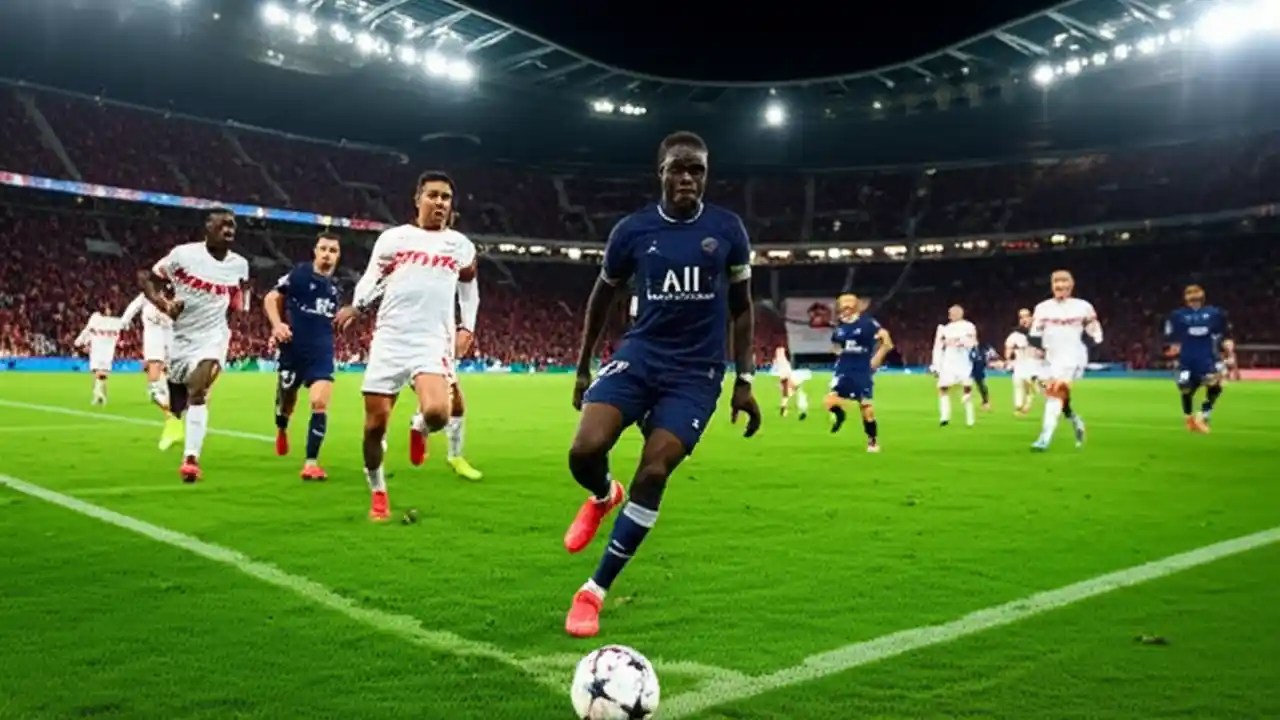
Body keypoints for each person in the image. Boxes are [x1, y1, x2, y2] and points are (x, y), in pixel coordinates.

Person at [560, 130, 761, 638]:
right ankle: (604, 494)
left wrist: (745, 378)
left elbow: (742, 308)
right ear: (662, 172)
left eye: (698, 169)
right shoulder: (633, 231)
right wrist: (582, 365)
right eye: (679, 167)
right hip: (640, 356)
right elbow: (600, 299)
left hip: (695, 374)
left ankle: (593, 591)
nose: (689, 177)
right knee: (584, 451)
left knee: (654, 471)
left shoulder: (728, 229)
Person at [352, 172, 476, 522]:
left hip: (432, 339)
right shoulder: (394, 239)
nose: (440, 203)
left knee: (439, 411)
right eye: (433, 195)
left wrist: (468, 326)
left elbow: (470, 288)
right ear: (417, 198)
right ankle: (378, 491)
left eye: (446, 197)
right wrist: (358, 303)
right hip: (390, 338)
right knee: (374, 428)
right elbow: (369, 278)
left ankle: (418, 426)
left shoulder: (461, 245)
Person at [139, 207, 251, 481]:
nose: (229, 228)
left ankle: (191, 459)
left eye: (233, 224)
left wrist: (239, 304)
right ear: (207, 227)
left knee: (198, 389)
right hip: (181, 338)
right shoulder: (183, 255)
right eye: (223, 223)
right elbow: (147, 279)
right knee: (178, 400)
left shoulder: (240, 264)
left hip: (214, 337)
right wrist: (164, 304)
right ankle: (175, 421)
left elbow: (241, 296)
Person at [264, 231, 347, 479]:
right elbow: (271, 298)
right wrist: (277, 325)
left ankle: (311, 463)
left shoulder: (335, 288)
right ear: (315, 251)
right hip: (293, 349)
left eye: (333, 250)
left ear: (338, 256)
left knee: (319, 403)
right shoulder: (299, 274)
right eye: (323, 249)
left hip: (321, 352)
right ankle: (282, 427)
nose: (327, 254)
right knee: (287, 401)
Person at [1029, 270, 1101, 451]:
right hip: (1050, 358)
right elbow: (1034, 335)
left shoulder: (1083, 307)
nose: (1060, 285)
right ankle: (1075, 420)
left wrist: (1089, 344)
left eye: (1064, 281)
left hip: (1072, 357)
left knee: (1054, 395)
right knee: (1054, 395)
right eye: (1056, 281)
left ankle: (1044, 438)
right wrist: (1039, 352)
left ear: (1071, 284)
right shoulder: (1042, 308)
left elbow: (1095, 333)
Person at [825, 293, 893, 452]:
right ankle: (840, 415)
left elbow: (887, 342)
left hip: (862, 369)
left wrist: (875, 360)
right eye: (843, 303)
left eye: (849, 302)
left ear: (856, 305)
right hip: (843, 370)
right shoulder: (840, 327)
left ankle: (872, 440)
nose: (846, 306)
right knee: (829, 401)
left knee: (865, 406)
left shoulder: (867, 323)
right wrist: (839, 353)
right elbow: (836, 346)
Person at [1163, 284, 1231, 432]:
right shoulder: (1178, 315)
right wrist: (1172, 347)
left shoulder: (1213, 313)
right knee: (1186, 388)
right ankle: (1189, 418)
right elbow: (1170, 336)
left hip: (1206, 358)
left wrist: (1227, 343)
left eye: (1196, 297)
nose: (1194, 301)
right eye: (1191, 297)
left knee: (1215, 385)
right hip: (1187, 359)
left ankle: (1203, 414)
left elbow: (1223, 331)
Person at [121, 291, 182, 445]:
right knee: (156, 383)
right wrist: (124, 320)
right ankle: (166, 407)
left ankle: (171, 413)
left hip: (169, 333)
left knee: (171, 374)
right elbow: (135, 305)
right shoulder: (148, 294)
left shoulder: (178, 294)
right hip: (153, 332)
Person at [931, 305, 978, 427]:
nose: (951, 315)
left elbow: (973, 342)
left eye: (953, 313)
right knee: (943, 388)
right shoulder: (945, 328)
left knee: (967, 389)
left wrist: (959, 342)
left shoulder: (968, 326)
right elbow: (938, 347)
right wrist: (936, 365)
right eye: (950, 313)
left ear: (960, 313)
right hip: (948, 362)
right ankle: (945, 417)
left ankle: (970, 418)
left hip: (964, 362)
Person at [74, 304, 124, 406]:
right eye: (107, 309)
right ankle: (99, 397)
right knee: (98, 374)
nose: (108, 311)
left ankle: (100, 395)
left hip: (105, 352)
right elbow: (89, 330)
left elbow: (89, 330)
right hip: (98, 350)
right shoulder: (97, 319)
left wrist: (80, 342)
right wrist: (82, 342)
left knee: (101, 375)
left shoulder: (112, 322)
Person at [1004, 308, 1041, 416]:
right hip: (1020, 363)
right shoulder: (1015, 335)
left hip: (1034, 363)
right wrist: (1008, 357)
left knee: (1031, 383)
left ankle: (1028, 403)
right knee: (1018, 384)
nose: (1024, 319)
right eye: (1021, 317)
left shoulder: (1038, 333)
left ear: (1031, 317)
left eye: (1026, 316)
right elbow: (1008, 348)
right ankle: (1019, 406)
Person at [772, 346, 811, 419]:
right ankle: (795, 408)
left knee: (788, 394)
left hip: (786, 379)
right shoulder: (782, 362)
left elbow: (780, 374)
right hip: (787, 379)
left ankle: (785, 409)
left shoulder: (779, 362)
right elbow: (785, 375)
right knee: (792, 393)